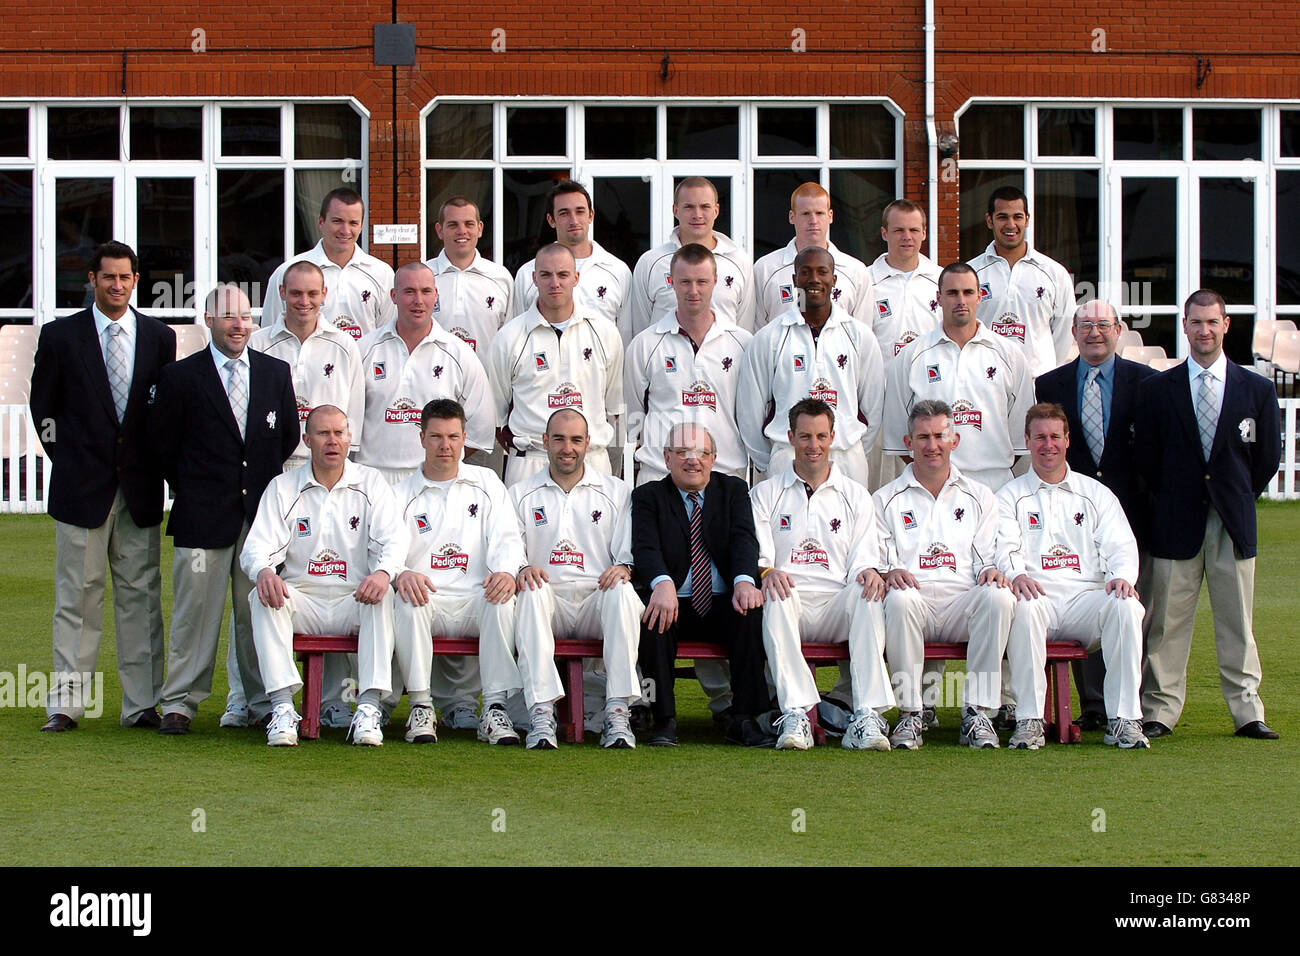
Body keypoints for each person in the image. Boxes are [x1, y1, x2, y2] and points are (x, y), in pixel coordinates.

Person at [30, 240, 176, 731]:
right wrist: (69, 461)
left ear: (136, 281)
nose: (117, 285)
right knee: (77, 598)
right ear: (90, 279)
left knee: (141, 598)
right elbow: (43, 411)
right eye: (107, 276)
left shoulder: (159, 337)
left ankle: (141, 705)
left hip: (138, 489)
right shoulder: (60, 336)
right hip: (80, 490)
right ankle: (66, 706)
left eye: (125, 277)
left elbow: (161, 414)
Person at [152, 284, 300, 735]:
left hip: (258, 519)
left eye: (245, 317)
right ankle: (179, 704)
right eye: (228, 317)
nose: (239, 325)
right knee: (195, 616)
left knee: (256, 612)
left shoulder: (275, 373)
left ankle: (261, 703)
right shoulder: (180, 377)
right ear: (209, 320)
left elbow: (287, 436)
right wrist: (198, 489)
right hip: (202, 517)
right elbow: (162, 447)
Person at [1136, 289, 1283, 740]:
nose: (1203, 330)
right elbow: (1147, 459)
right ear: (1184, 326)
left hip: (1232, 522)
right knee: (1166, 624)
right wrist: (1173, 500)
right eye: (1195, 322)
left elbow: (1266, 459)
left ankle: (1247, 712)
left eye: (1211, 322)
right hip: (1175, 522)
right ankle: (1159, 711)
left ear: (1225, 325)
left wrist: (1233, 495)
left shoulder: (1256, 389)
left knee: (1238, 620)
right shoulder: (1157, 389)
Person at [239, 405, 406, 747]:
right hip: (304, 599)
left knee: (384, 593)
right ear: (306, 440)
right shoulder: (283, 486)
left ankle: (369, 708)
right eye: (323, 433)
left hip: (353, 598)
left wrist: (384, 573)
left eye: (339, 433)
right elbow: (255, 548)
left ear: (349, 438)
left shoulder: (372, 482)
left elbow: (395, 540)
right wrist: (264, 571)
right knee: (263, 595)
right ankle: (283, 708)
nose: (332, 441)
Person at [996, 402, 1150, 749]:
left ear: (1067, 440)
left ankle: (1125, 719)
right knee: (1023, 605)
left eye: (1054, 436)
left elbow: (1120, 544)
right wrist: (1016, 574)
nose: (1047, 445)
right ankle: (1030, 719)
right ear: (1027, 440)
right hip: (1038, 599)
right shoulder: (1009, 496)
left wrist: (1123, 575)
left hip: (1085, 600)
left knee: (1127, 606)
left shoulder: (1096, 494)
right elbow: (1003, 546)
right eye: (1039, 438)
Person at [1035, 299, 1155, 730]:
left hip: (1129, 509)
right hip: (1069, 509)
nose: (1094, 332)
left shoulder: (1147, 383)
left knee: (1124, 602)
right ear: (1073, 332)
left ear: (1118, 330)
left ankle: (1130, 708)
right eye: (1085, 325)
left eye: (1103, 324)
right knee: (1078, 587)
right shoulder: (1049, 384)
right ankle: (1092, 708)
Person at [752, 399, 896, 751]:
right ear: (790, 438)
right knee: (776, 592)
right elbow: (760, 558)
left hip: (836, 603)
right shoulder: (765, 494)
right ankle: (796, 712)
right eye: (804, 437)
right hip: (792, 602)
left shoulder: (857, 496)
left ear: (832, 437)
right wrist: (768, 572)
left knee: (869, 594)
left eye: (820, 436)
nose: (813, 446)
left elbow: (863, 560)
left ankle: (865, 715)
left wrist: (869, 573)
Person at [874, 400, 1015, 749]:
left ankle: (978, 713)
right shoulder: (884, 499)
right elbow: (880, 558)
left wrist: (992, 571)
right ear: (908, 442)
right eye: (923, 437)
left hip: (961, 602)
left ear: (955, 440)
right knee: (900, 598)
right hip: (915, 601)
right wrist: (890, 570)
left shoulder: (981, 497)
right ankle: (911, 715)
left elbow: (985, 558)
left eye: (940, 435)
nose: (932, 445)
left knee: (999, 596)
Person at [389, 399, 527, 746]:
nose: (445, 445)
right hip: (429, 600)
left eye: (453, 436)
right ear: (421, 438)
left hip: (473, 598)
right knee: (408, 600)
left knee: (501, 599)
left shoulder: (487, 482)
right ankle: (421, 706)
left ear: (465, 437)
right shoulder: (399, 493)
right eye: (435, 436)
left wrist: (507, 572)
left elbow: (507, 538)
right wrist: (401, 573)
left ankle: (495, 708)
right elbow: (387, 550)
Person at [631, 422, 771, 747]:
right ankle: (662, 718)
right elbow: (645, 547)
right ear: (667, 458)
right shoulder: (648, 496)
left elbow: (744, 540)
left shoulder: (733, 491)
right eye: (682, 452)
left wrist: (744, 582)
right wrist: (662, 583)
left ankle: (744, 718)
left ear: (713, 458)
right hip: (675, 600)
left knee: (750, 611)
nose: (692, 460)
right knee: (653, 617)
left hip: (723, 598)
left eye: (701, 453)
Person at [510, 409, 643, 748]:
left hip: (594, 599)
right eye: (558, 439)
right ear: (545, 442)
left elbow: (628, 553)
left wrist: (624, 568)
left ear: (588, 444)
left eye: (575, 440)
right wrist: (522, 568)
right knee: (530, 591)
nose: (566, 448)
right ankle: (541, 712)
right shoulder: (520, 493)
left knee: (623, 592)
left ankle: (617, 711)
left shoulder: (616, 491)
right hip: (548, 601)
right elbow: (510, 550)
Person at [738, 246, 885, 487]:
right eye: (806, 272)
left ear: (834, 279)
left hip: (846, 458)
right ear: (795, 280)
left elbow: (873, 408)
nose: (814, 279)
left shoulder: (859, 336)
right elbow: (750, 412)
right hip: (787, 456)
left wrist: (850, 445)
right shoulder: (769, 337)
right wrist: (770, 461)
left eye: (822, 272)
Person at [884, 262, 1034, 491]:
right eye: (952, 293)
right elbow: (899, 437)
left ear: (980, 296)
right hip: (934, 485)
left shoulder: (1009, 355)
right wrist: (933, 471)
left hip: (996, 485)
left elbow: (1021, 437)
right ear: (939, 298)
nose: (961, 300)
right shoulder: (911, 356)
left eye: (968, 292)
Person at [486, 243, 624, 487]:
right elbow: (497, 417)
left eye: (562, 275)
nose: (555, 283)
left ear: (576, 278)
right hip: (530, 463)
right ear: (534, 279)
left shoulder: (605, 333)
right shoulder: (509, 337)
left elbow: (612, 408)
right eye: (546, 275)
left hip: (591, 461)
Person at [624, 243, 751, 485]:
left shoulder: (743, 343)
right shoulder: (645, 345)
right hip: (660, 475)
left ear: (715, 281)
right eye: (685, 282)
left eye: (701, 282)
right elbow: (633, 415)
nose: (693, 290)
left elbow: (750, 415)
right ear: (671, 282)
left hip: (724, 474)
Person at [357, 261, 495, 483]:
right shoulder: (364, 349)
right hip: (373, 478)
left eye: (426, 291)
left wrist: (440, 465)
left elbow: (481, 426)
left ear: (436, 295)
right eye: (409, 292)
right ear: (393, 295)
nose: (418, 301)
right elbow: (346, 420)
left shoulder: (459, 353)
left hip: (434, 480)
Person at [248, 260, 365, 469]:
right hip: (272, 461)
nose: (304, 301)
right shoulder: (257, 343)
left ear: (324, 293)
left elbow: (355, 407)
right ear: (282, 292)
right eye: (296, 293)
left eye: (312, 293)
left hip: (327, 462)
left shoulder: (344, 344)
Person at [866, 199, 943, 488]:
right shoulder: (866, 281)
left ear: (924, 233)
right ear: (884, 233)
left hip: (930, 403)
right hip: (882, 404)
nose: (907, 237)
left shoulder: (940, 280)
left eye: (914, 230)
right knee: (881, 486)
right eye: (899, 230)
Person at [627, 177, 754, 340]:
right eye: (689, 207)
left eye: (705, 207)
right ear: (675, 210)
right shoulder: (650, 263)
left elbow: (744, 330)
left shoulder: (740, 262)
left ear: (716, 210)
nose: (697, 215)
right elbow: (641, 329)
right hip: (666, 364)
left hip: (724, 364)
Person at [968, 186, 1076, 378]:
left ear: (1027, 219)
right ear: (989, 220)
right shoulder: (971, 273)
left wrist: (1048, 374)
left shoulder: (1054, 273)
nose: (1011, 225)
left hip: (1037, 382)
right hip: (985, 379)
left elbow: (1064, 331)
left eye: (1017, 217)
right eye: (1002, 217)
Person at [260, 187, 395, 340]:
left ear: (362, 226)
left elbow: (387, 337)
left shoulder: (382, 273)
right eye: (337, 221)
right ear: (320, 222)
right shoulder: (287, 272)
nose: (345, 230)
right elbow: (270, 336)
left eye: (353, 223)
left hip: (363, 364)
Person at [751, 182, 876, 330]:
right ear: (792, 217)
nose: (813, 221)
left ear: (830, 216)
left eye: (819, 213)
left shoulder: (856, 271)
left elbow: (862, 334)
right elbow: (757, 332)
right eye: (806, 213)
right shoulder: (766, 268)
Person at [513, 179, 632, 328]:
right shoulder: (528, 274)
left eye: (580, 211)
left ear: (591, 215)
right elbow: (518, 334)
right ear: (551, 220)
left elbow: (625, 338)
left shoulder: (618, 271)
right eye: (564, 213)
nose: (573, 220)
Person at [426, 196, 514, 355]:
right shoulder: (423, 277)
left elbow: (511, 338)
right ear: (439, 230)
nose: (462, 231)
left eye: (469, 224)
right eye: (453, 225)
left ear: (480, 228)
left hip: (487, 378)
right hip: (433, 378)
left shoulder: (501, 278)